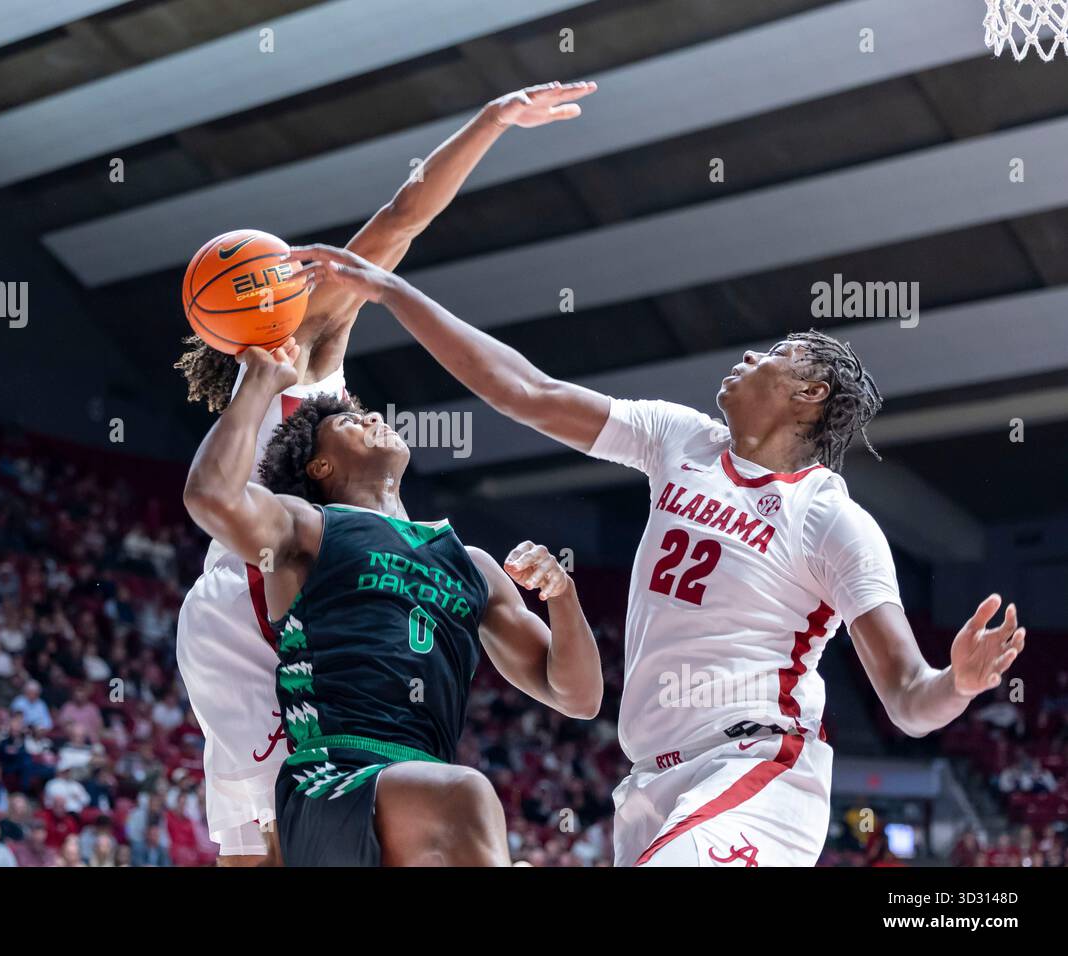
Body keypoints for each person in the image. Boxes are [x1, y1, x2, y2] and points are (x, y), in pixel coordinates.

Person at [286, 242, 1029, 867]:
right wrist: (390, 290)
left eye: (772, 354)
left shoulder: (831, 519)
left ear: (809, 392)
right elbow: (523, 389)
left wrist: (956, 682)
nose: (746, 354)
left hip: (756, 766)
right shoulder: (681, 439)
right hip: (649, 782)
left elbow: (905, 696)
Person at [173, 80, 597, 865]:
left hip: (317, 589)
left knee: (286, 823)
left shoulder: (323, 372)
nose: (315, 280)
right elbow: (403, 215)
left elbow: (404, 217)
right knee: (266, 832)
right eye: (284, 278)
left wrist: (492, 119)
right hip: (247, 597)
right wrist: (490, 119)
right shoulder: (287, 362)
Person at [182, 340, 602, 867]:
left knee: (458, 800)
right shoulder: (306, 530)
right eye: (348, 424)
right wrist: (260, 385)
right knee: (465, 796)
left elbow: (579, 697)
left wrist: (563, 597)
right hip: (328, 779)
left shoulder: (473, 566)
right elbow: (210, 496)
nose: (372, 419)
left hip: (416, 796)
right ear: (319, 467)